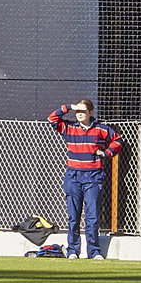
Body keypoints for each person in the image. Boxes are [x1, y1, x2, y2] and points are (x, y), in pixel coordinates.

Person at [47, 98, 124, 259]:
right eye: (77, 112)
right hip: (73, 176)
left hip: (93, 176)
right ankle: (73, 250)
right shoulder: (69, 128)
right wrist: (69, 107)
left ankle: (94, 251)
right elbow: (52, 118)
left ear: (90, 112)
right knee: (73, 217)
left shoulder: (101, 129)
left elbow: (117, 140)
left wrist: (106, 153)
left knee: (92, 216)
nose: (79, 114)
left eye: (83, 111)